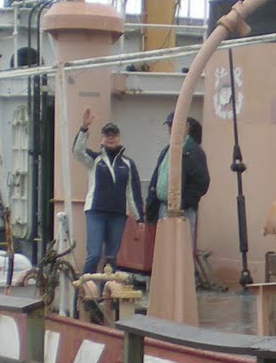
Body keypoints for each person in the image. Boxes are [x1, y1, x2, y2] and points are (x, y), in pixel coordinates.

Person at [73, 109, 142, 274]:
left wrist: (139, 218)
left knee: (111, 258)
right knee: (94, 254)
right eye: (107, 135)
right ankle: (86, 292)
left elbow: (133, 192)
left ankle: (107, 295)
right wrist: (84, 128)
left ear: (118, 138)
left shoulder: (127, 164)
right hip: (96, 212)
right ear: (102, 139)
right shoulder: (94, 160)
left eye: (114, 135)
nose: (110, 138)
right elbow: (77, 152)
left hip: (117, 214)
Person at [147, 113, 210, 244]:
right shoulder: (167, 150)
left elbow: (201, 183)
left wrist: (183, 202)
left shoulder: (194, 151)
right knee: (164, 249)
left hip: (183, 211)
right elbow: (157, 177)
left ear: (186, 126)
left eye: (174, 124)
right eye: (170, 125)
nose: (171, 128)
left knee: (182, 249)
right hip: (163, 208)